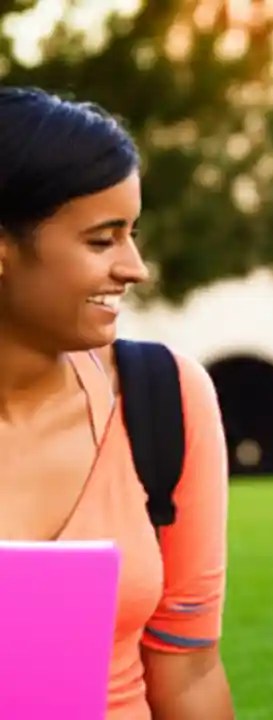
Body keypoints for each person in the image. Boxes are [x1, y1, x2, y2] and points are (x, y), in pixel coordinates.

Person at [0, 87, 234, 719]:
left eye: (132, 235)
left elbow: (187, 670)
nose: (136, 268)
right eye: (102, 241)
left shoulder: (164, 399)